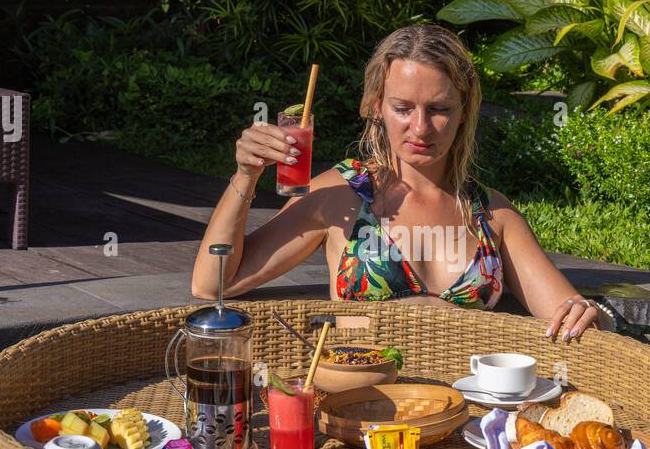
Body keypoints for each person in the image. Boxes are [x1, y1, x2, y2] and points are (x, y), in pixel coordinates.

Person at [191, 24, 614, 341]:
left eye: (439, 108)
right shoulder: (341, 196)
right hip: (364, 402)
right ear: (376, 107)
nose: (421, 127)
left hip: (470, 406)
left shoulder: (491, 214)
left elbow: (573, 318)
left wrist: (590, 312)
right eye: (402, 108)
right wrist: (246, 174)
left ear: (465, 110)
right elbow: (212, 283)